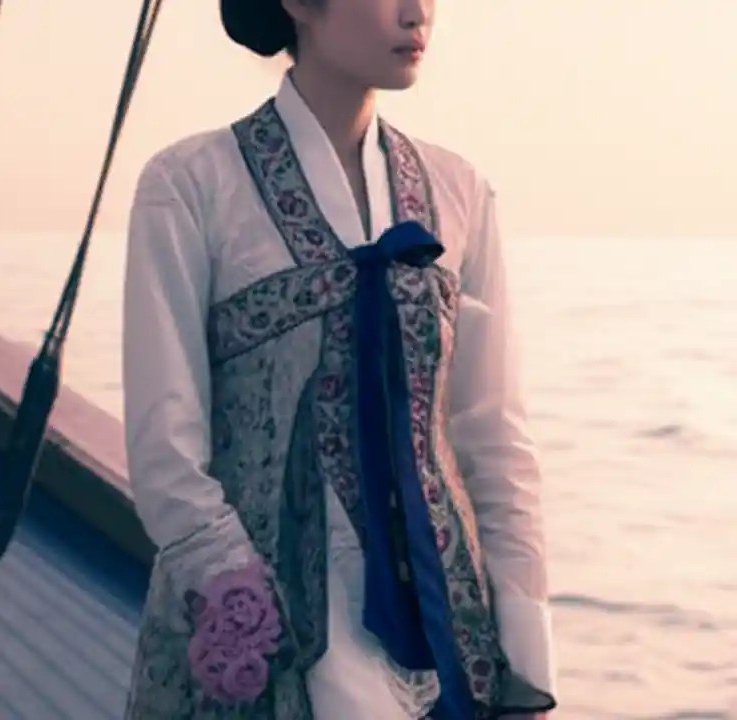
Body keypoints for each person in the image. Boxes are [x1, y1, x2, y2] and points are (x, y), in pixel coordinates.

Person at [120, 0, 557, 718]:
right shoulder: (191, 185)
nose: (419, 14)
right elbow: (166, 450)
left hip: (450, 639)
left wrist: (527, 660)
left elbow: (494, 441)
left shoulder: (460, 193)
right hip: (269, 629)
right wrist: (235, 597)